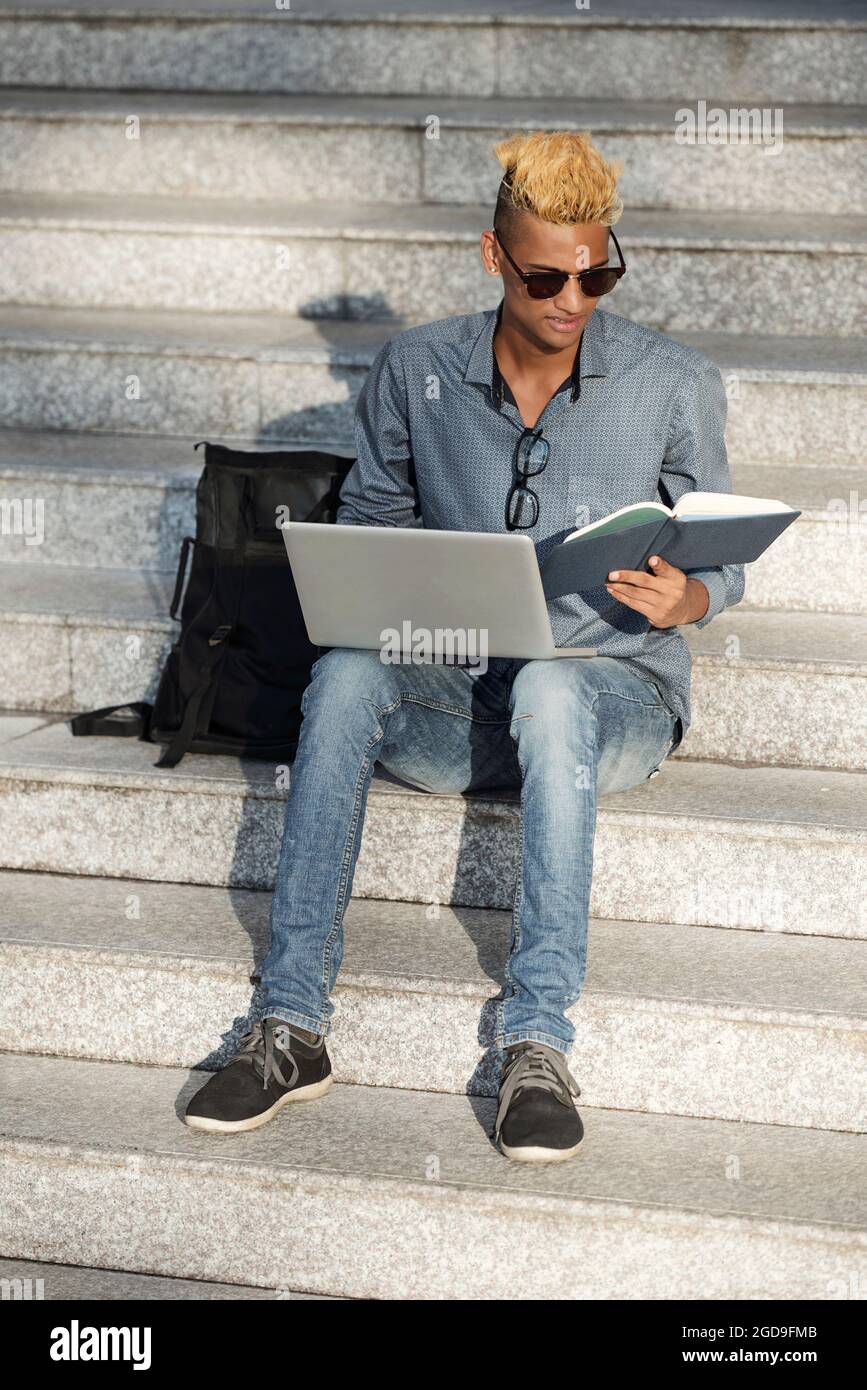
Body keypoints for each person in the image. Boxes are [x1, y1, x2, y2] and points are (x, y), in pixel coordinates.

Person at [185, 131, 744, 1161]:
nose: (574, 298)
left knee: (553, 693)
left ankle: (536, 1041)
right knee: (349, 674)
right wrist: (400, 581)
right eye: (545, 276)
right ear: (494, 258)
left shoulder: (675, 382)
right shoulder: (416, 369)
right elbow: (378, 517)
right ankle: (291, 1021)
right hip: (457, 688)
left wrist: (692, 594)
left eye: (597, 271)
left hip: (606, 693)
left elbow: (725, 556)